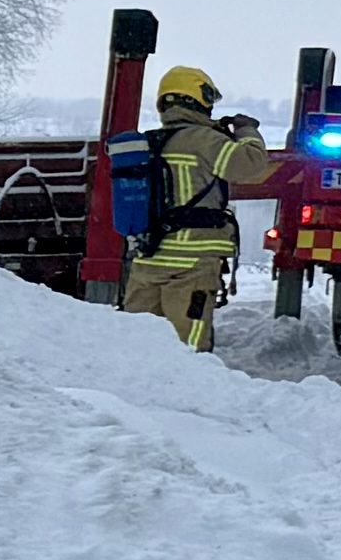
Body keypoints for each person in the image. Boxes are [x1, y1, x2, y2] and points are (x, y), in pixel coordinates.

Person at [117, 65, 276, 350]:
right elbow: (251, 164)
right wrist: (247, 130)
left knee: (138, 341)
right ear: (196, 99)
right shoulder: (205, 141)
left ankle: (135, 390)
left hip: (148, 259)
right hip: (192, 262)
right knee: (188, 347)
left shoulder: (150, 142)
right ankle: (183, 392)